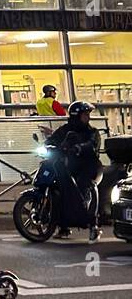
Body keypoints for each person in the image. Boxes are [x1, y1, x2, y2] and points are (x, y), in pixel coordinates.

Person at [44, 101, 104, 242]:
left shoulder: (92, 132)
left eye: (88, 115)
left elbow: (92, 145)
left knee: (85, 187)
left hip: (89, 167)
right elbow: (53, 140)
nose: (87, 118)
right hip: (69, 166)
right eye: (85, 115)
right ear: (76, 116)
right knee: (58, 186)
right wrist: (47, 144)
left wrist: (80, 148)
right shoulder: (65, 130)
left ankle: (93, 225)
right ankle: (62, 226)